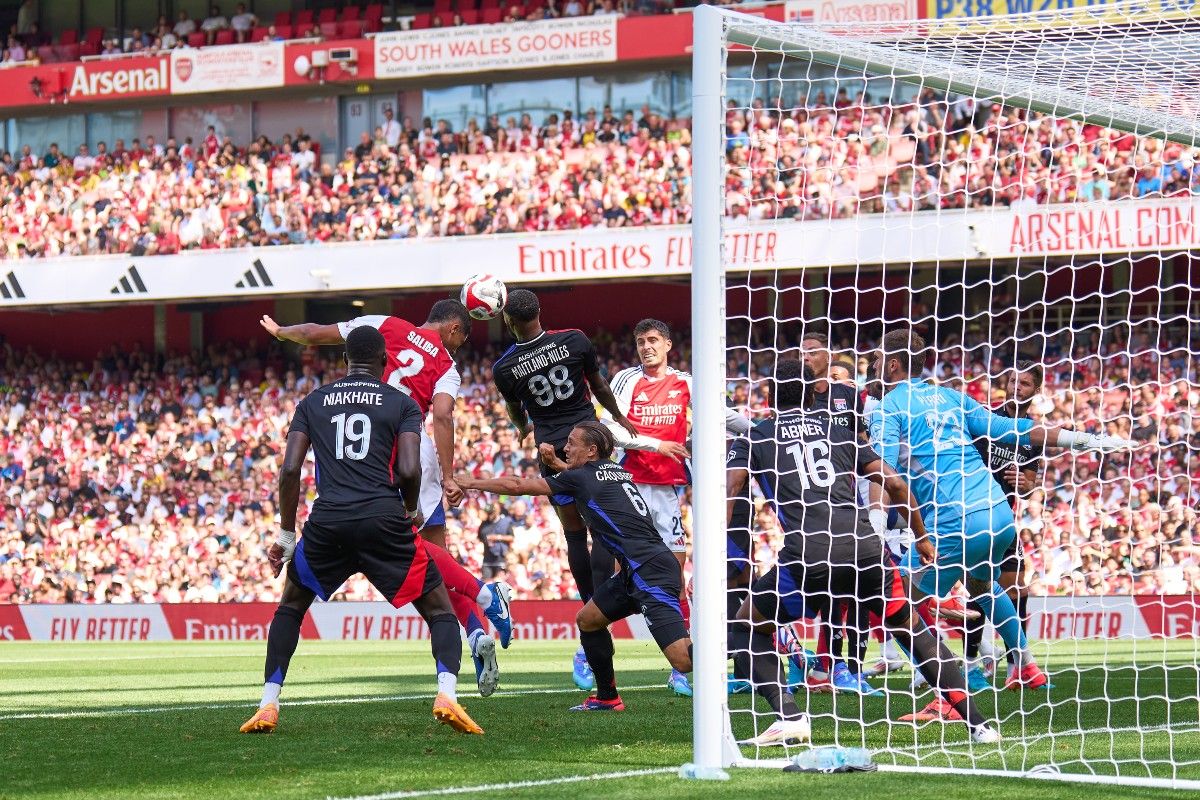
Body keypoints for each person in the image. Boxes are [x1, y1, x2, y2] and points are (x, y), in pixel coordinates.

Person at [725, 359, 1000, 746]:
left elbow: (730, 490)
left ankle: (789, 715)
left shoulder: (755, 436)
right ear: (812, 392)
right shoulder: (840, 430)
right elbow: (898, 486)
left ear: (770, 394)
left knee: (746, 625)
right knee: (913, 629)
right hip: (865, 550)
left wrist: (716, 547)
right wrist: (921, 537)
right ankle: (979, 725)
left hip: (808, 553)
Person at [873, 329, 1134, 717]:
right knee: (983, 584)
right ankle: (1026, 666)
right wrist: (1084, 439)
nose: (873, 367)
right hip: (998, 515)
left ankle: (947, 696)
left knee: (901, 604)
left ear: (892, 364)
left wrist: (876, 525)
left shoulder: (887, 407)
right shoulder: (953, 397)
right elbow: (1015, 430)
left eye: (876, 360)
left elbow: (886, 474)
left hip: (954, 520)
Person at [239, 326, 482, 735]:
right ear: (385, 360)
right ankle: (447, 695)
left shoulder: (313, 402)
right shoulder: (401, 403)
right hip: (384, 520)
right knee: (440, 610)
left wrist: (285, 534)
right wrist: (410, 510)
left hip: (328, 521)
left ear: (345, 361)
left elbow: (290, 470)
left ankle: (268, 702)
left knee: (290, 609)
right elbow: (409, 469)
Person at [458, 421, 691, 711]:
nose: (565, 448)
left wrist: (469, 482)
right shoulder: (616, 470)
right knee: (588, 620)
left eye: (571, 443)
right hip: (641, 566)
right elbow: (581, 478)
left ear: (591, 450)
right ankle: (608, 697)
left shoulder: (581, 477)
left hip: (648, 571)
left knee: (683, 660)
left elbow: (518, 485)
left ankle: (744, 642)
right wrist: (556, 463)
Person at [491, 288, 638, 690]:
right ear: (539, 312)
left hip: (553, 446)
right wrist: (621, 420)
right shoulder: (574, 339)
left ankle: (592, 608)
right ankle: (607, 601)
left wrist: (523, 430)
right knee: (602, 523)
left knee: (574, 531)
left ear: (508, 321)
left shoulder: (505, 367)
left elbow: (517, 413)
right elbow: (600, 386)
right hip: (590, 438)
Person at [599, 318, 750, 697]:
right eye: (640, 341)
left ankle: (680, 666)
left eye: (652, 340)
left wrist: (760, 430)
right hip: (629, 485)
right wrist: (655, 445)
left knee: (675, 575)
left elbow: (722, 415)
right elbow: (608, 428)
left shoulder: (687, 383)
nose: (646, 347)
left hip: (667, 491)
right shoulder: (626, 380)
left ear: (667, 344)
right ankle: (594, 647)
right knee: (630, 575)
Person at [797, 331, 877, 695]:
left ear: (828, 356)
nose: (806, 357)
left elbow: (863, 443)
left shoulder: (848, 395)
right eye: (802, 352)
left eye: (812, 352)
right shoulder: (796, 395)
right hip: (813, 502)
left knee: (858, 587)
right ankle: (822, 663)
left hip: (850, 496)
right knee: (827, 591)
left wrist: (873, 499)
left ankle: (853, 670)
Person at [964, 360, 1045, 690]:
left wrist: (1024, 484)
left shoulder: (1032, 433)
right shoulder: (986, 420)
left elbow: (1030, 481)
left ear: (1035, 391)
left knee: (1017, 589)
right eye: (1013, 381)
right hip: (975, 514)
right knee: (978, 588)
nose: (1017, 387)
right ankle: (970, 663)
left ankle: (1016, 667)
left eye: (1024, 383)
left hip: (1004, 519)